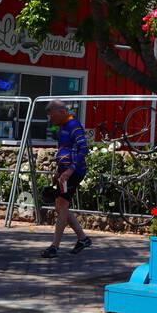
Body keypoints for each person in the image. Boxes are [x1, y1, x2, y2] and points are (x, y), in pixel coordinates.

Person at [41, 100, 93, 257]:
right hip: (64, 173)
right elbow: (64, 150)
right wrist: (59, 171)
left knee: (62, 205)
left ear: (62, 111)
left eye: (53, 116)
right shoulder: (63, 126)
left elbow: (83, 149)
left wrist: (70, 170)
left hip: (74, 172)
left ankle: (55, 246)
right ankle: (83, 239)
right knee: (59, 206)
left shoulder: (74, 126)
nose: (52, 120)